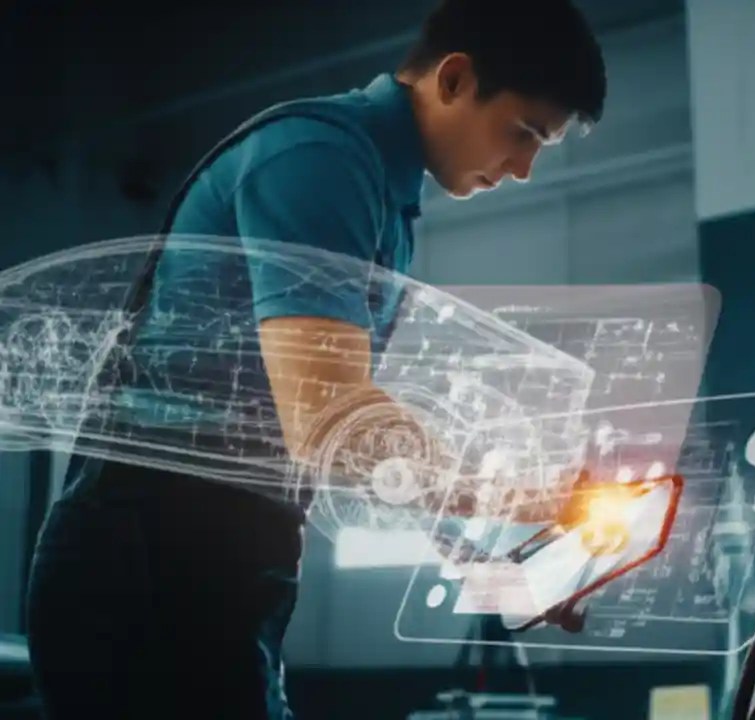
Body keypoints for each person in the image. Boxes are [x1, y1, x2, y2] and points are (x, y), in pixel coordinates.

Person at [24, 0, 606, 718]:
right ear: (454, 79)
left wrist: (482, 561)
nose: (522, 169)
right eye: (524, 133)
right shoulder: (320, 158)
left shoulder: (380, 197)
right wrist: (534, 492)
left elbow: (353, 433)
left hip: (215, 559)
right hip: (148, 559)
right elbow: (330, 420)